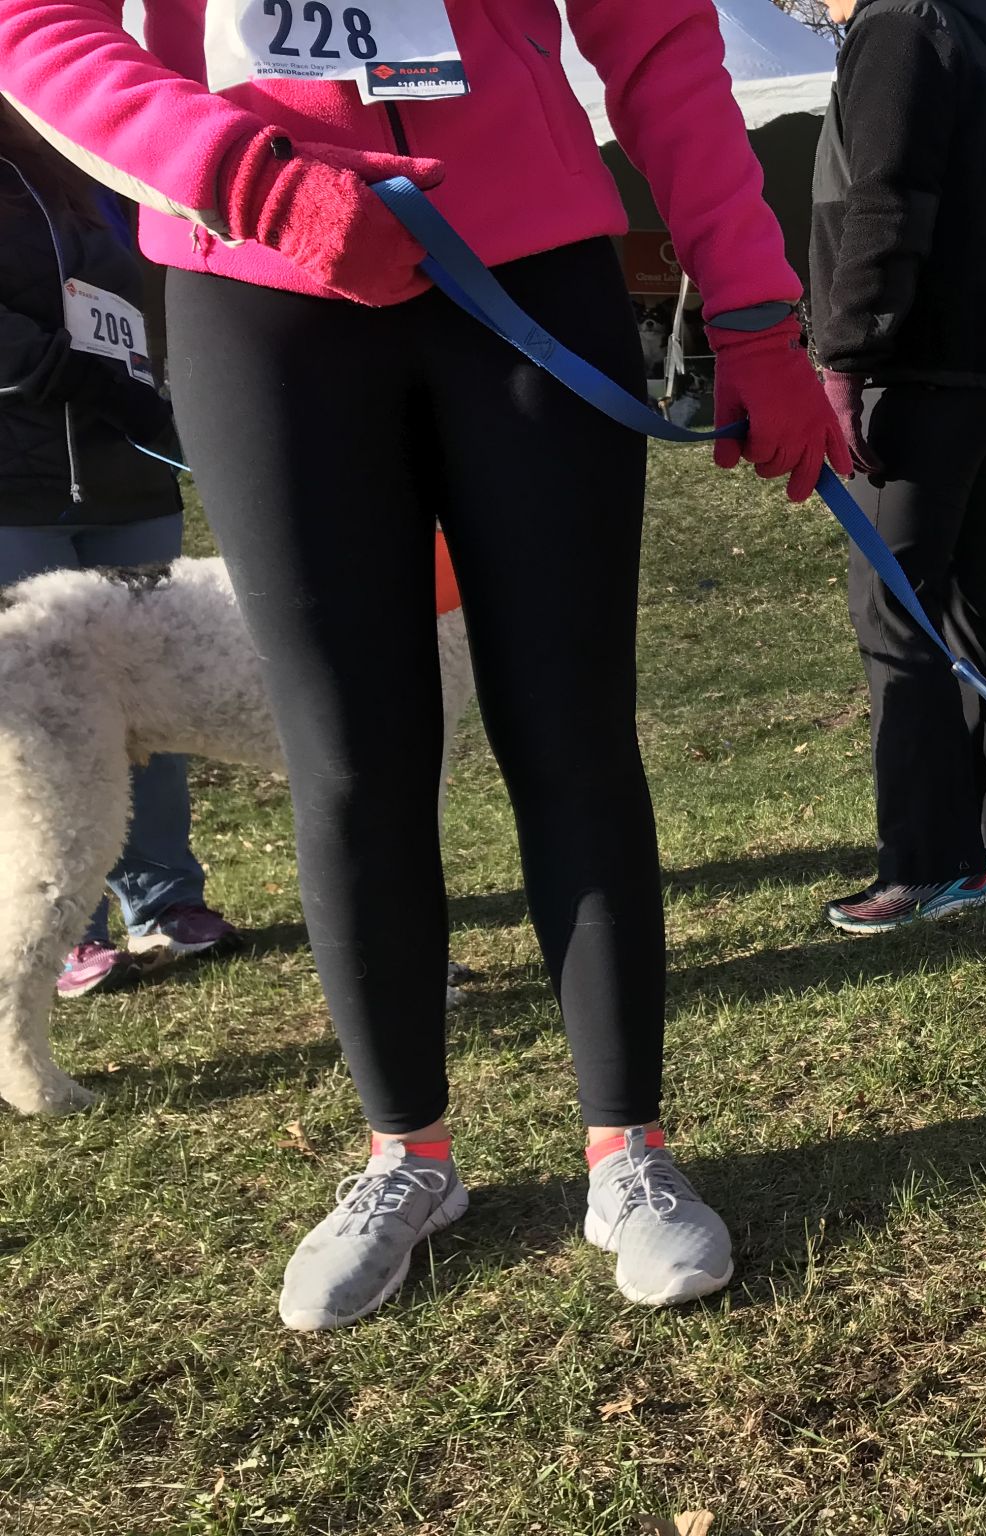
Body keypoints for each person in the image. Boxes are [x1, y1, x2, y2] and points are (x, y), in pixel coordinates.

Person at [0, 0, 847, 1329]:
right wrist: (247, 175)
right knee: (351, 758)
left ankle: (627, 1152)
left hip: (526, 255)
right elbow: (36, 25)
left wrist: (752, 310)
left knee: (570, 734)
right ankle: (412, 1159)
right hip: (256, 280)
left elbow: (659, 34)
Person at [810, 0, 986, 935]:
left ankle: (929, 863)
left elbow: (886, 197)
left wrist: (843, 354)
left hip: (919, 374)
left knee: (895, 613)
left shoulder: (897, 28)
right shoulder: (965, 37)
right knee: (962, 599)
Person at [0, 104, 238, 998]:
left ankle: (164, 896)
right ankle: (65, 924)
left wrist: (154, 393)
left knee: (154, 699)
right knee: (39, 721)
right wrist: (47, 366)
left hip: (123, 476)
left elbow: (153, 299)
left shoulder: (89, 170)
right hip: (14, 486)